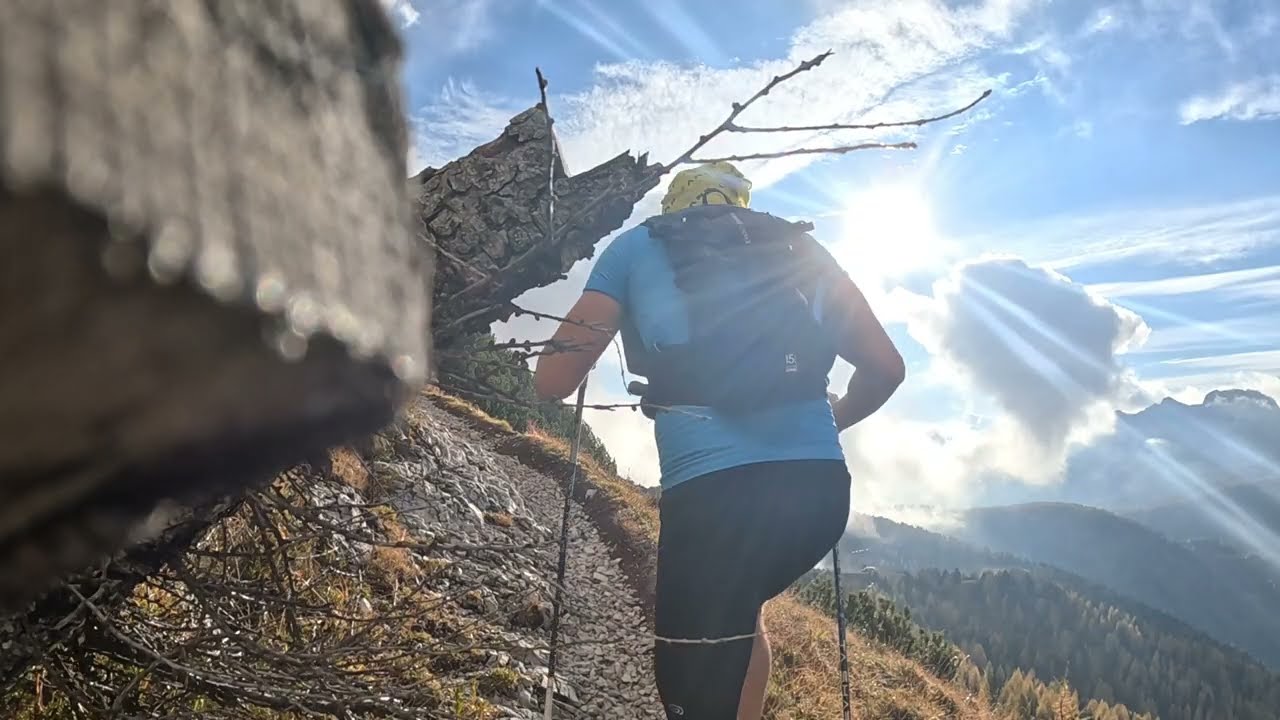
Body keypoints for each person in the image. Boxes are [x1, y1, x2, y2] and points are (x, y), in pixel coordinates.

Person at [532, 161, 905, 720]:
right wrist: (836, 418)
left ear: (674, 207)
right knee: (739, 611)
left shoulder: (637, 246)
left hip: (714, 502)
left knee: (692, 679)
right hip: (819, 495)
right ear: (744, 205)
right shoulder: (799, 249)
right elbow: (886, 368)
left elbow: (552, 381)